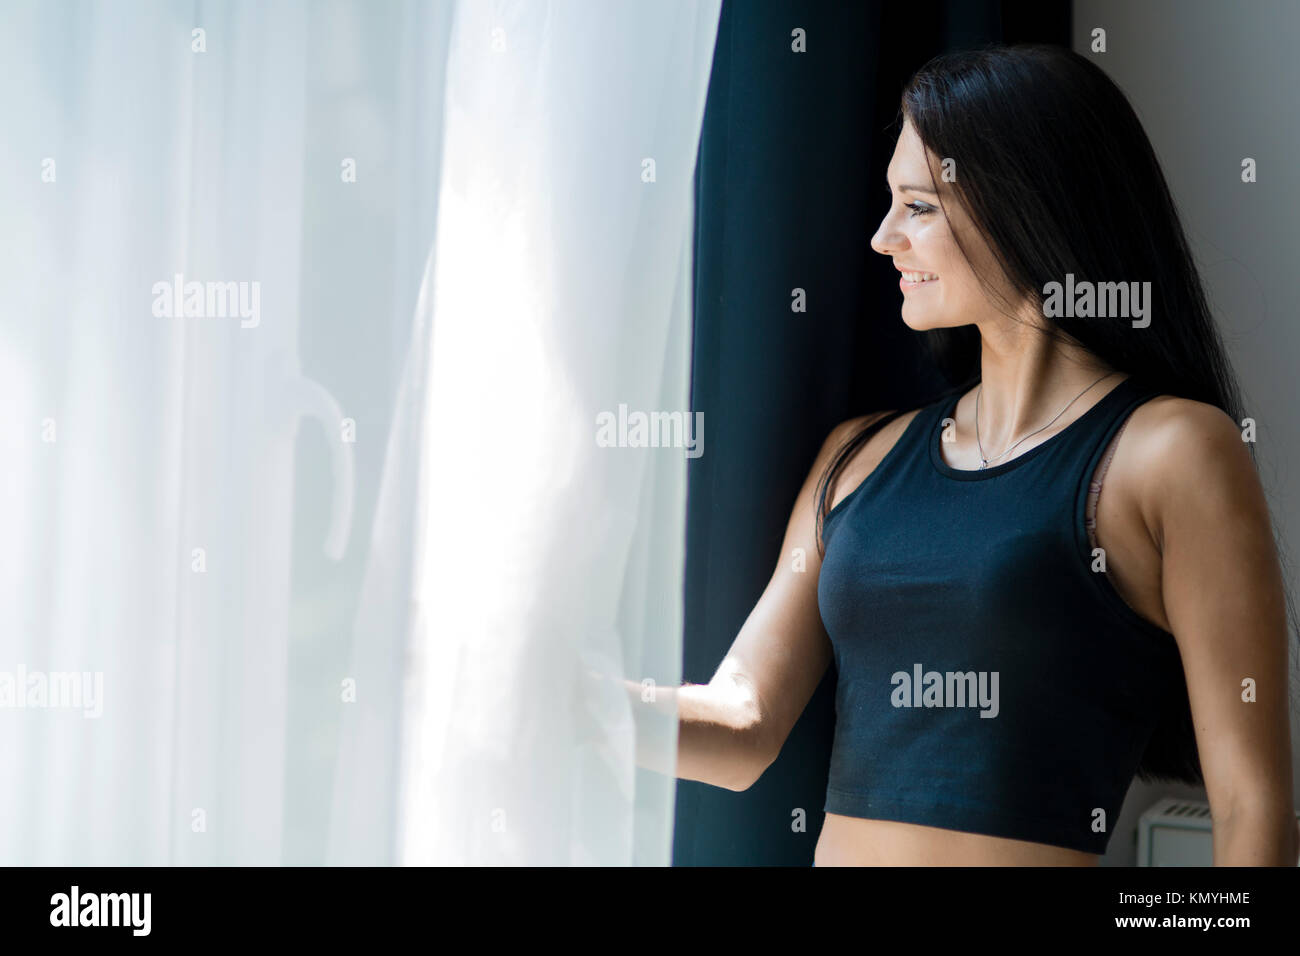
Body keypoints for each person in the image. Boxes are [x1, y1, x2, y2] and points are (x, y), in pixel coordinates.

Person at [636, 45, 1300, 866]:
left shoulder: (1171, 454)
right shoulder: (858, 458)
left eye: (917, 205)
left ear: (1026, 200)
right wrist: (583, 704)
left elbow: (1251, 812)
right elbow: (742, 724)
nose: (883, 240)